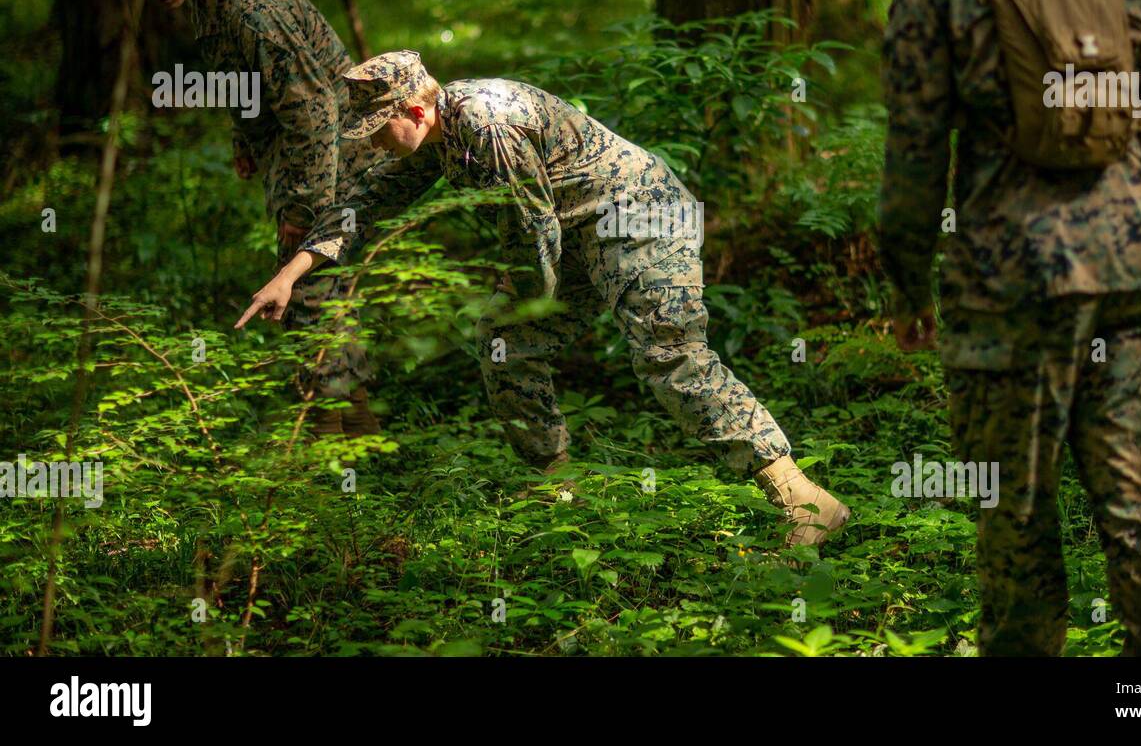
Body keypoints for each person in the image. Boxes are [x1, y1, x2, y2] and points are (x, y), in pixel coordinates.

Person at [236, 51, 850, 547]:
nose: (373, 144)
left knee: (669, 354)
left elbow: (531, 230)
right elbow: (367, 202)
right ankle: (561, 500)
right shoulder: (438, 133)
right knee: (505, 342)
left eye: (378, 131)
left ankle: (804, 500)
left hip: (640, 216)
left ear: (417, 109)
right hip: (577, 229)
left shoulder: (486, 121)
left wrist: (522, 294)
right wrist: (292, 271)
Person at [879, 0, 1141, 652]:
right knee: (1140, 506)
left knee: (1014, 513)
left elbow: (915, 155)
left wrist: (907, 283)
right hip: (1138, 268)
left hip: (1016, 284)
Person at [110, 0, 382, 436]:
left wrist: (303, 211)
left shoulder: (249, 8)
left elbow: (313, 109)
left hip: (332, 153)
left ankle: (337, 440)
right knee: (315, 295)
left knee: (306, 289)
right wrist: (246, 138)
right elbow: (248, 80)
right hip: (297, 148)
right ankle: (352, 433)